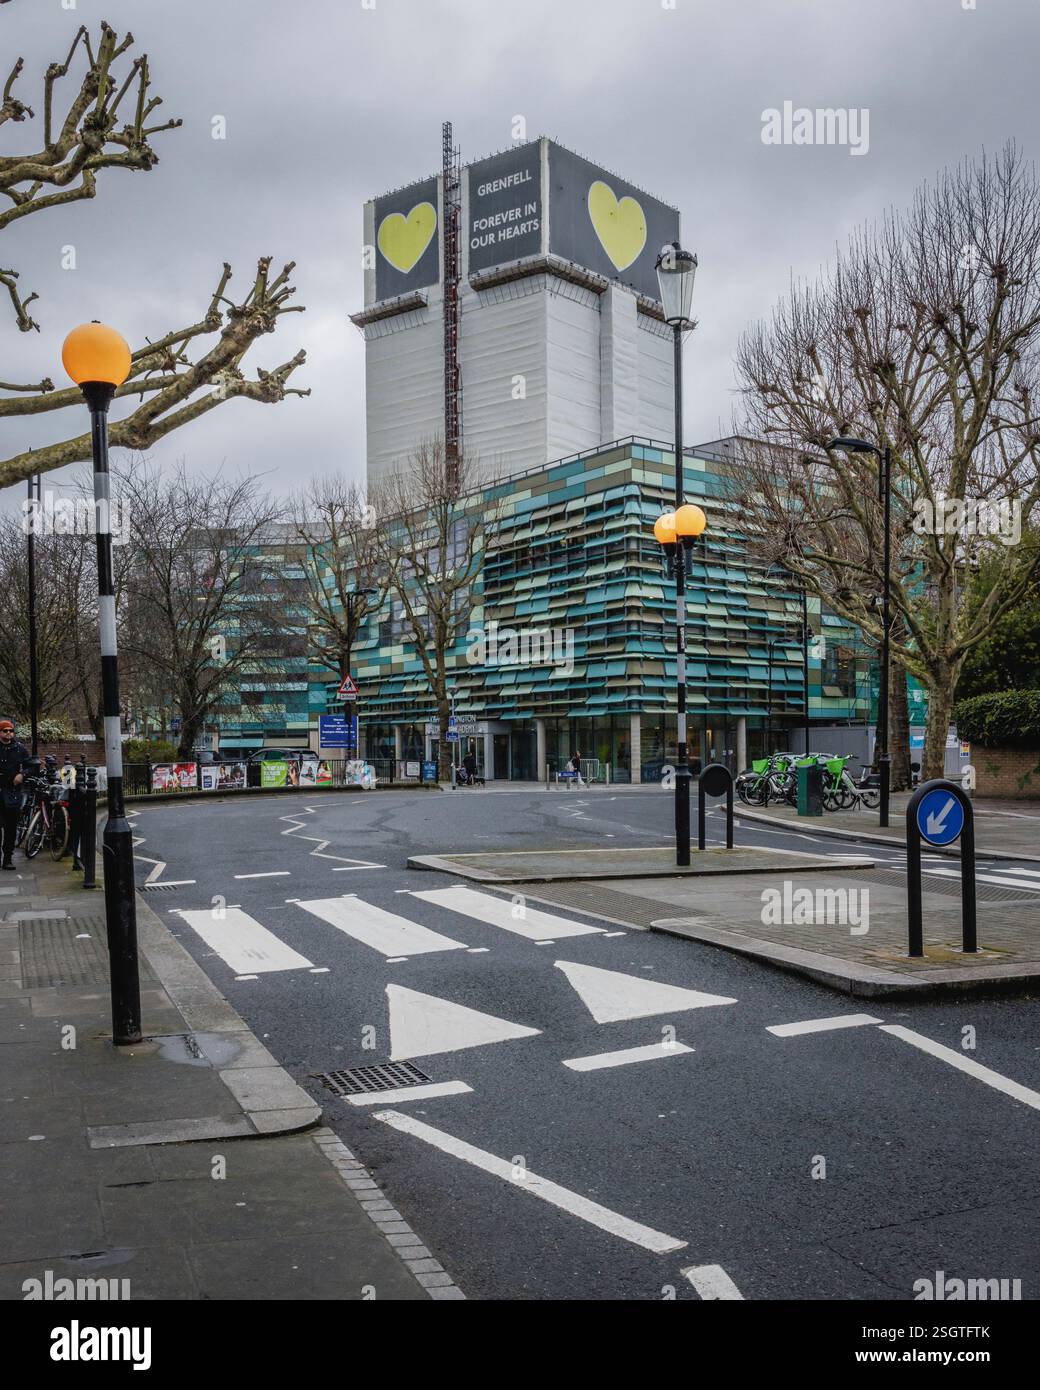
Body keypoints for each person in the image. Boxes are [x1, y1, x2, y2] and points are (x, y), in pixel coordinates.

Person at [0, 719, 31, 869]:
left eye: (11, 731)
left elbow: (31, 766)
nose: (8, 733)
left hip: (12, 793)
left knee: (11, 828)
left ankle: (7, 858)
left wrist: (22, 775)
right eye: (5, 731)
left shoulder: (19, 749)